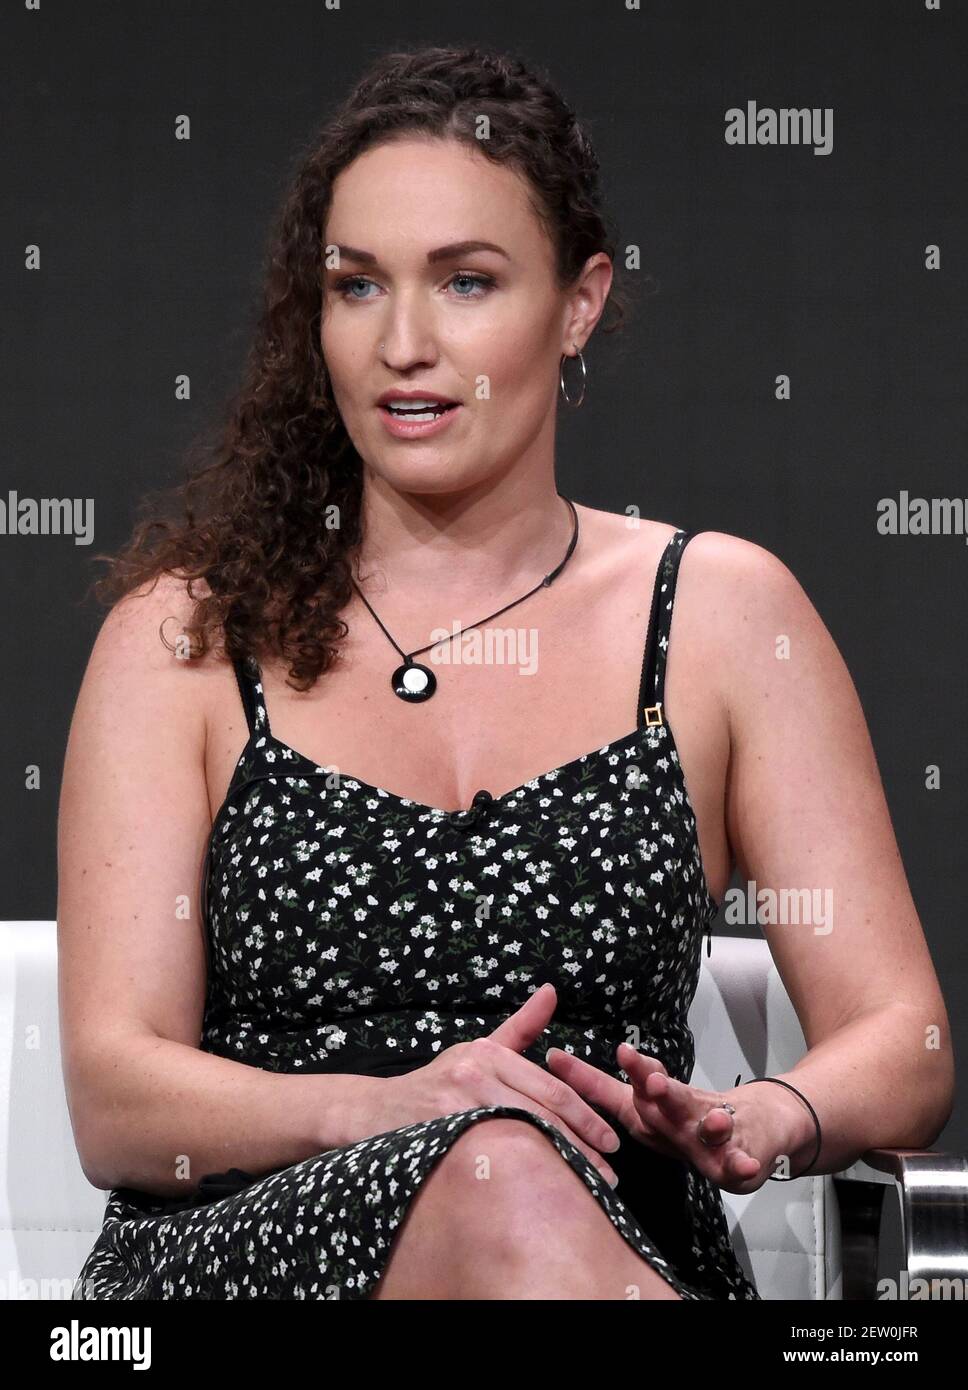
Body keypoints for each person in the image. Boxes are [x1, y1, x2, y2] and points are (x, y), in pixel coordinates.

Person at [59, 44, 953, 1302]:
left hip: (618, 1244)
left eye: (465, 281)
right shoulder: (188, 636)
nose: (405, 342)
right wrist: (392, 1109)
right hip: (245, 1247)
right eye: (357, 287)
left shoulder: (718, 616)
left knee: (514, 1176)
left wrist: (765, 1114)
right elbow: (114, 1095)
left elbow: (901, 1044)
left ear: (578, 302)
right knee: (492, 1168)